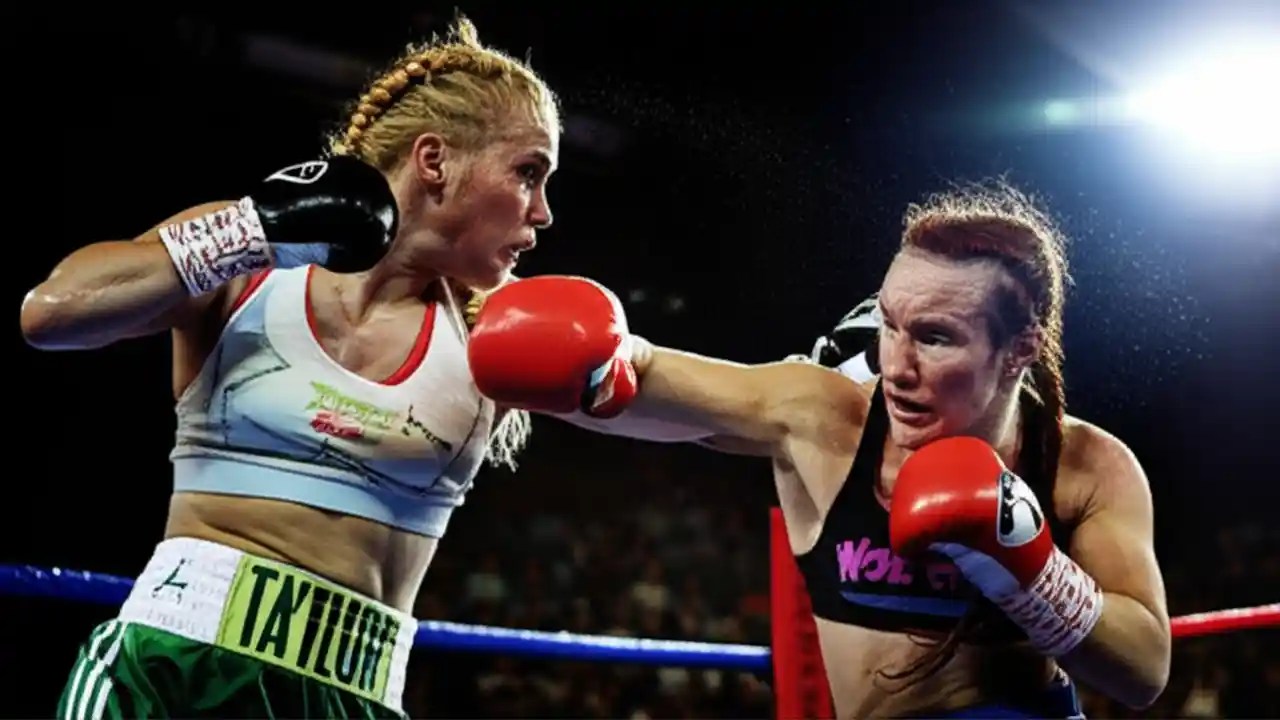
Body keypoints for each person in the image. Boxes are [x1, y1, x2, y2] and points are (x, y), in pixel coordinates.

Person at [468, 179, 1173, 718]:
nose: (896, 365)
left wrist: (1029, 566)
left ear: (1019, 349)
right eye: (890, 326)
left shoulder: (1086, 466)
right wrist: (556, 345)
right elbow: (634, 375)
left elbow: (1142, 670)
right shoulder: (823, 419)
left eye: (934, 337)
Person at [20, 17, 559, 719]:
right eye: (529, 173)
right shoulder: (251, 266)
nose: (544, 212)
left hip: (352, 689)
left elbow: (709, 408)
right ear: (435, 161)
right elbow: (52, 314)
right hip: (169, 665)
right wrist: (253, 230)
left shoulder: (500, 333)